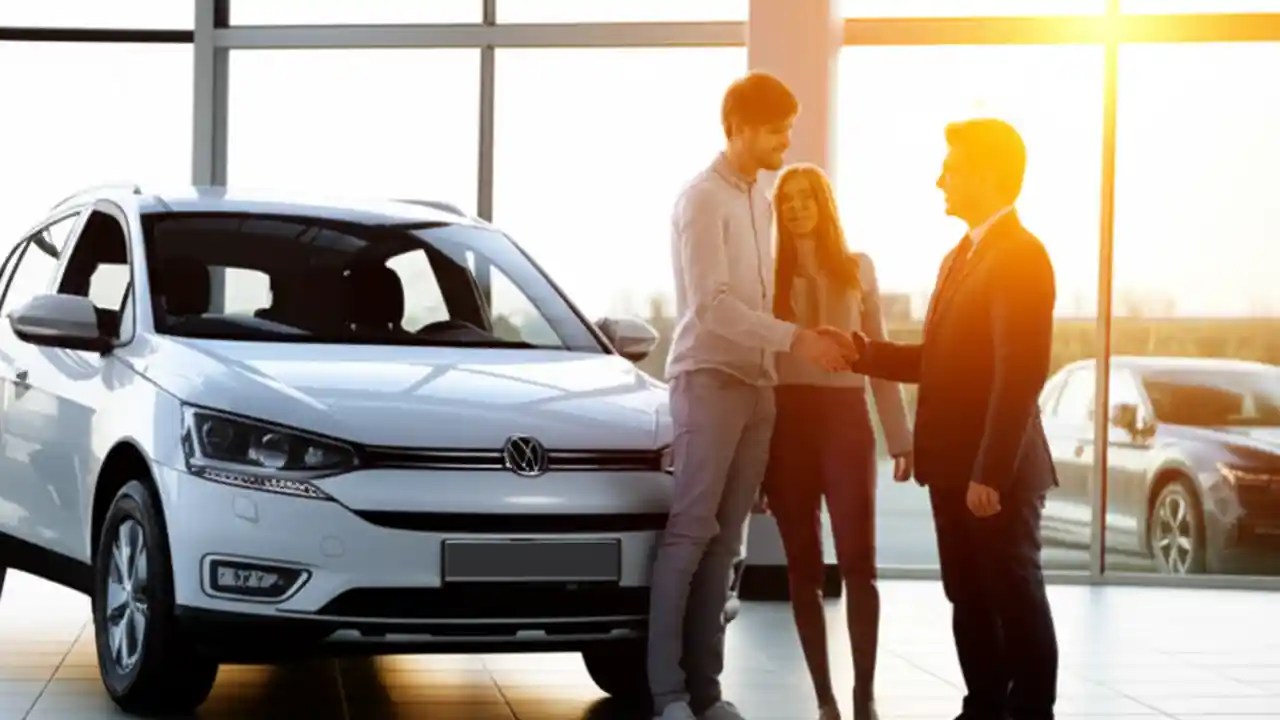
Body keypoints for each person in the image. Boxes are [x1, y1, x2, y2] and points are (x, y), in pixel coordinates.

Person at [649, 71, 853, 720]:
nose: (786, 142)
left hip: (757, 387)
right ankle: (667, 694)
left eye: (789, 129)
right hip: (708, 380)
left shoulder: (761, 200)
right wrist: (796, 338)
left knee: (729, 542)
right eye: (776, 130)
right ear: (738, 127)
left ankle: (706, 693)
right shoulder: (702, 200)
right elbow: (711, 306)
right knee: (690, 533)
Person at [840, 118, 1060, 720]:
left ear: (986, 175)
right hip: (951, 467)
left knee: (1013, 595)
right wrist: (859, 350)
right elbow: (936, 360)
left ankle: (1031, 713)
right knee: (967, 596)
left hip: (995, 472)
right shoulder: (959, 257)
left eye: (952, 168)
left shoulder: (1021, 256)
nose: (941, 179)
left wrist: (990, 472)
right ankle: (983, 706)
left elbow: (1019, 375)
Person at [763, 163, 914, 720]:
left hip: (848, 421)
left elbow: (879, 355)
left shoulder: (858, 269)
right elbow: (758, 367)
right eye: (787, 199)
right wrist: (757, 463)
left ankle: (863, 697)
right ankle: (824, 699)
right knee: (802, 568)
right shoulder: (765, 277)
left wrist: (900, 437)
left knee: (859, 564)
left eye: (807, 197)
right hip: (788, 424)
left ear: (824, 204)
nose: (797, 206)